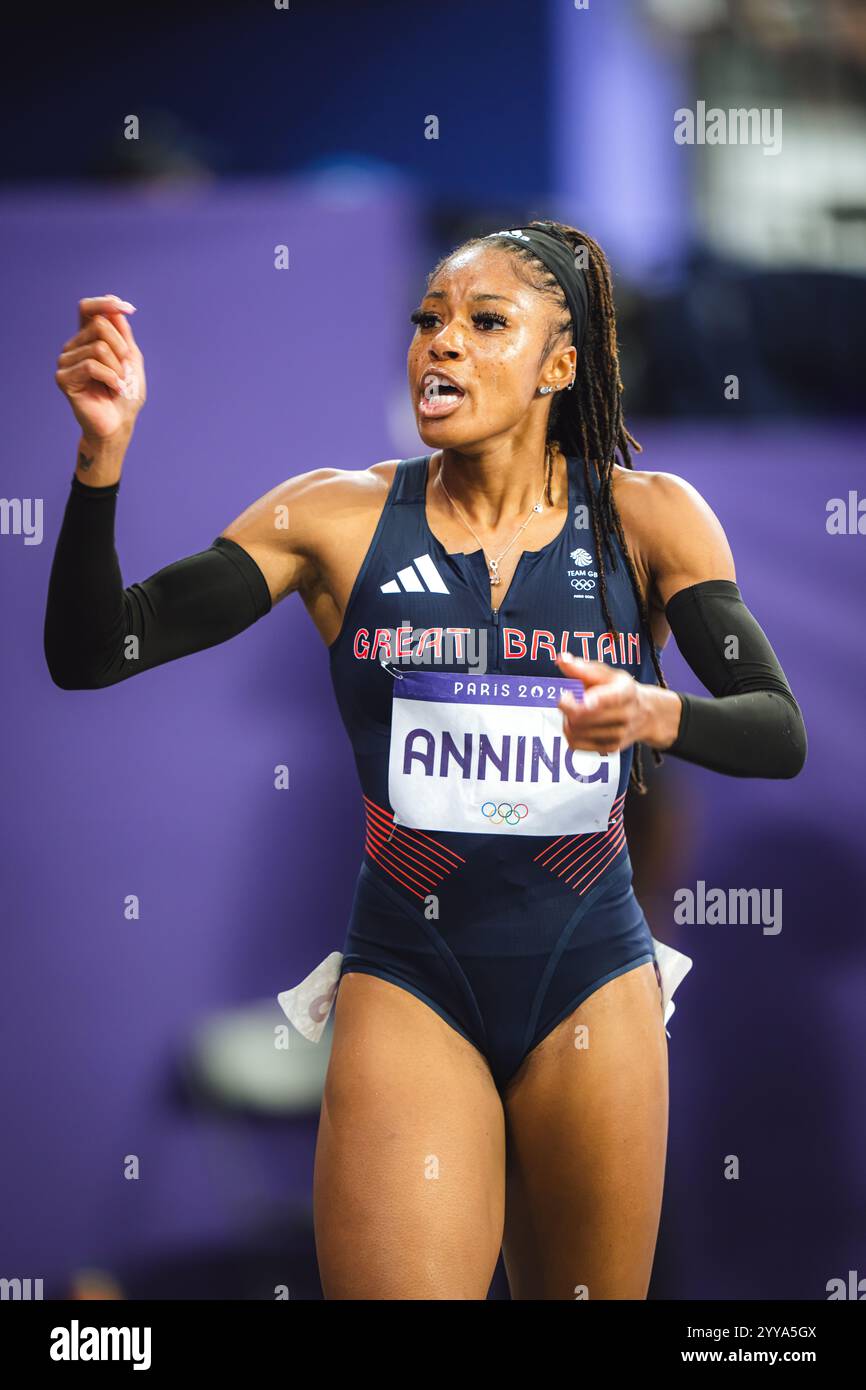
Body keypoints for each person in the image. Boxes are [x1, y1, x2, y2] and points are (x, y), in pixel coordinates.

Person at [46, 222, 806, 1300]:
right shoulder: (330, 516)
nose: (439, 346)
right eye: (427, 322)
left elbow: (776, 728)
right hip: (410, 977)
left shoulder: (649, 518)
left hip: (588, 976)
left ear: (559, 364)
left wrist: (657, 714)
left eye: (484, 322)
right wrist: (98, 463)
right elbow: (92, 651)